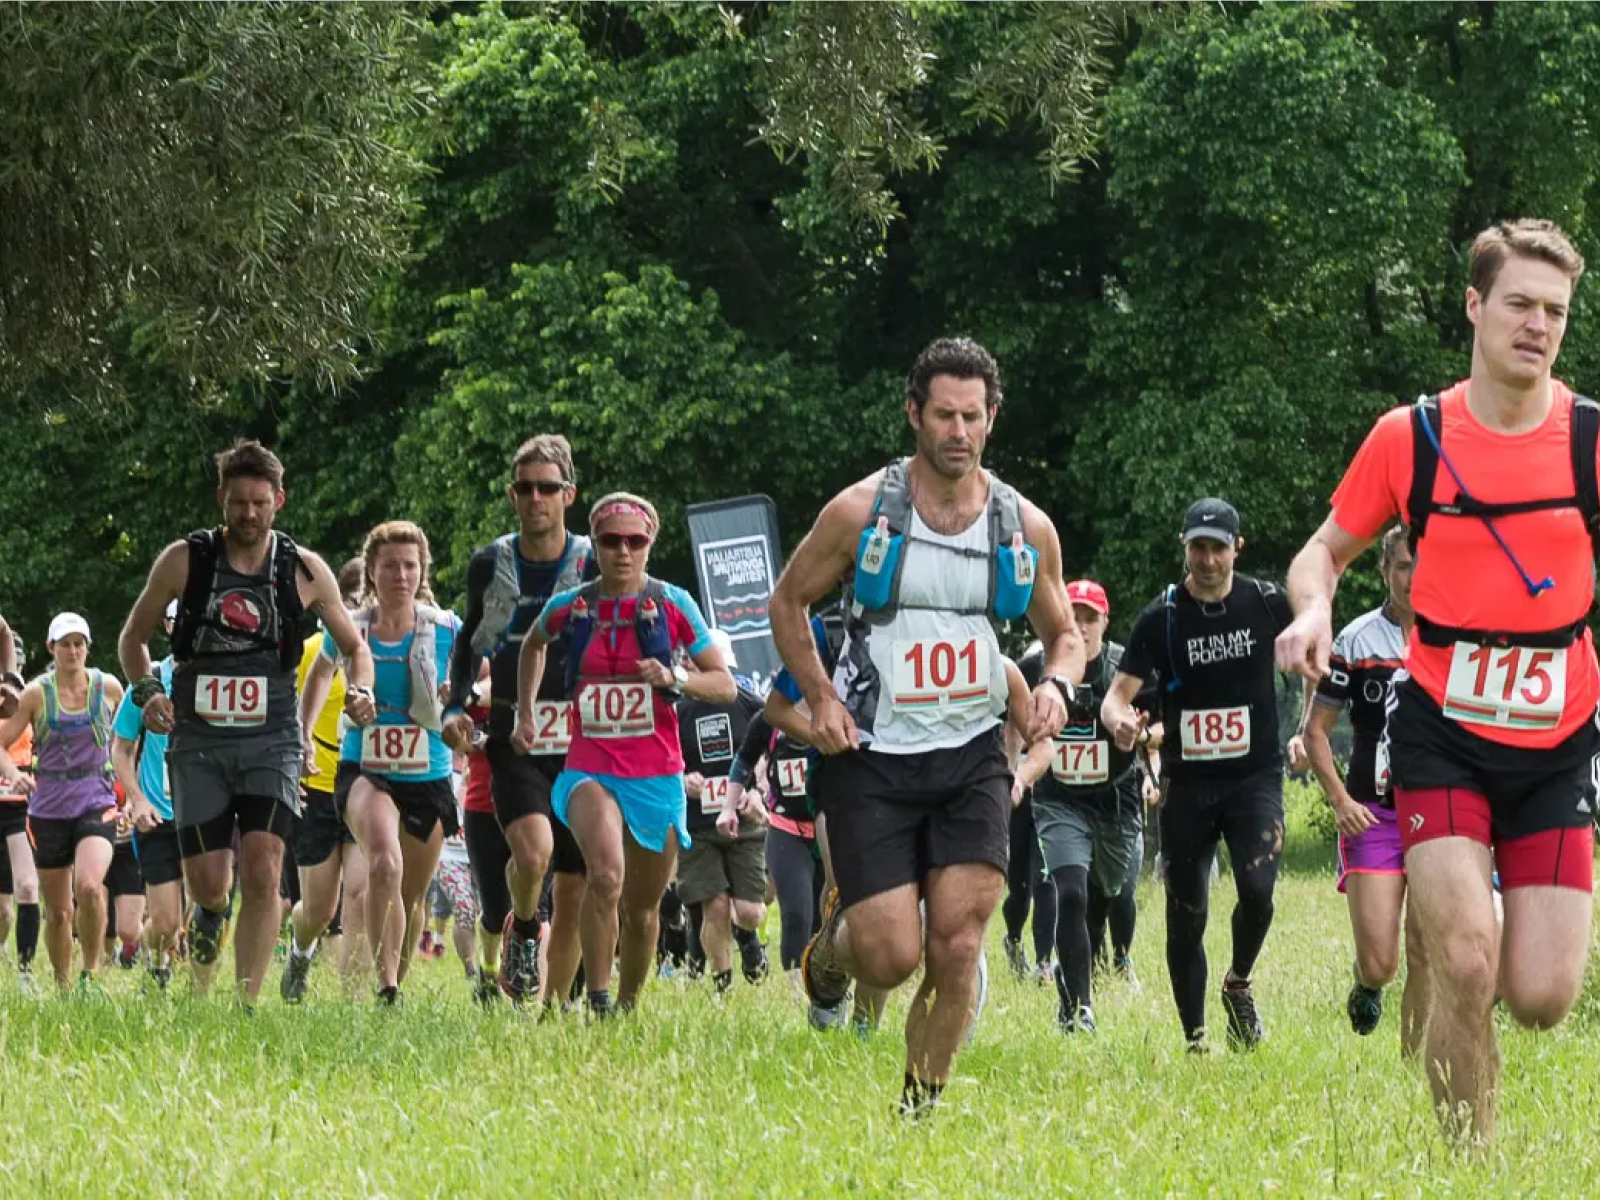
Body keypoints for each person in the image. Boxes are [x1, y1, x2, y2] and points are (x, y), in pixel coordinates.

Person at [1277, 220, 1599, 1143]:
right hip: (1443, 734)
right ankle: (1470, 1154)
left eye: (1556, 312)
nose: (1538, 326)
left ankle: (1483, 1049)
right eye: (1520, 305)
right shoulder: (1410, 437)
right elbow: (1322, 553)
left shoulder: (1588, 441)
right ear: (1473, 305)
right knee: (1462, 957)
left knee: (1539, 995)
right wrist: (1311, 612)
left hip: (1558, 736)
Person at [771, 337, 1081, 1114]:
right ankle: (835, 953)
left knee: (959, 942)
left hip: (973, 752)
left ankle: (920, 1110)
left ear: (992, 420)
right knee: (890, 954)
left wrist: (1058, 687)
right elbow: (788, 602)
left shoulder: (1022, 525)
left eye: (972, 417)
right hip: (873, 753)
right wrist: (821, 699)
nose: (957, 431)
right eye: (942, 414)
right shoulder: (861, 511)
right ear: (914, 415)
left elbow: (1066, 634)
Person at [117, 439, 376, 1008]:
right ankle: (210, 916)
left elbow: (356, 648)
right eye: (239, 503)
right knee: (212, 884)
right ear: (221, 500)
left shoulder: (305, 571)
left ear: (278, 501)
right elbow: (132, 639)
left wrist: (361, 689)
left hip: (272, 739)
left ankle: (244, 1007)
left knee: (263, 867)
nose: (249, 514)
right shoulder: (185, 561)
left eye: (260, 502)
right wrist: (149, 691)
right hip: (200, 741)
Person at [514, 492, 734, 1017]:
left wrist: (675, 676)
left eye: (634, 541)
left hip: (656, 773)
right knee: (605, 875)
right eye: (611, 540)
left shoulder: (674, 603)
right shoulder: (573, 604)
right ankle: (597, 998)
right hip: (590, 767)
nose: (622, 551)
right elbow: (533, 644)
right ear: (597, 543)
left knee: (642, 912)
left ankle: (627, 1010)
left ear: (649, 545)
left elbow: (724, 684)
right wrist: (525, 712)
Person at [1103, 499, 1292, 1053]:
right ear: (1184, 547)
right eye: (1197, 548)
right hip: (1188, 784)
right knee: (1186, 914)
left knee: (1258, 892)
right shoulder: (1160, 617)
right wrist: (1119, 724)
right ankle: (1196, 1039)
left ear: (1239, 547)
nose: (1207, 560)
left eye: (1218, 547)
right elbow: (1118, 698)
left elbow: (1316, 650)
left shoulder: (1267, 603)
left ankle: (1238, 982)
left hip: (1255, 776)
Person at [444, 435, 595, 1007]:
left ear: (568, 494)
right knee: (532, 854)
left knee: (577, 881)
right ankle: (526, 928)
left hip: (584, 738)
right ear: (512, 495)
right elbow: (469, 644)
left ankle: (556, 1008)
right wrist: (456, 706)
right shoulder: (492, 563)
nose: (536, 499)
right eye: (525, 488)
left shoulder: (590, 560)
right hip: (515, 732)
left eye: (547, 488)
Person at [300, 521, 461, 1008]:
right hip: (365, 768)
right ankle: (387, 986)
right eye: (389, 565)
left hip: (428, 773)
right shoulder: (352, 627)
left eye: (410, 565)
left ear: (422, 570)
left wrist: (462, 703)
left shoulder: (446, 628)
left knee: (410, 898)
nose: (401, 574)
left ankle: (396, 982)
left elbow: (481, 679)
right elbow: (319, 676)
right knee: (384, 864)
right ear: (371, 570)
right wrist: (304, 733)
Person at [1300, 526, 1430, 1050]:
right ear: (1384, 572)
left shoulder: (1456, 638)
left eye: (1422, 564)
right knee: (1383, 961)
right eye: (1402, 566)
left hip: (1438, 816)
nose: (1413, 577)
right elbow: (1315, 731)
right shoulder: (1356, 640)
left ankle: (1413, 1064)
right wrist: (1340, 801)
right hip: (1372, 814)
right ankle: (1366, 982)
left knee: (1425, 948)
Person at [1016, 580, 1157, 1033]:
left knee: (1109, 891)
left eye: (1089, 617)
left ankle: (1089, 960)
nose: (1080, 625)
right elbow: (1013, 728)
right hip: (1060, 802)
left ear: (1104, 622)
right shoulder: (1038, 666)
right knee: (1069, 892)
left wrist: (1142, 738)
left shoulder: (1125, 667)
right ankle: (1076, 1008)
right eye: (1072, 616)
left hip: (1115, 802)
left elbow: (1162, 727)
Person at [0, 613, 123, 991]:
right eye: (65, 644)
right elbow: (2, 741)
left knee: (88, 886)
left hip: (96, 799)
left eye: (79, 643)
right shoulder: (36, 693)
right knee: (58, 912)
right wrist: (14, 774)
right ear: (51, 648)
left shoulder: (110, 688)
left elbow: (129, 741)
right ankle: (64, 985)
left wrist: (132, 793)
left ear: (88, 647)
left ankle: (90, 976)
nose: (73, 651)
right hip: (48, 807)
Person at [281, 557, 369, 1002]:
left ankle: (353, 1002)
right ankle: (300, 950)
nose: (356, 616)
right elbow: (287, 711)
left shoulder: (384, 652)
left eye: (363, 604)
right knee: (318, 908)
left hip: (362, 784)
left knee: (360, 892)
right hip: (315, 786)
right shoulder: (314, 650)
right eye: (351, 604)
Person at [677, 629, 769, 993]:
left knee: (750, 912)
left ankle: (747, 939)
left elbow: (771, 748)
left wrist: (759, 790)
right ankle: (722, 985)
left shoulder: (749, 702)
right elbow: (659, 757)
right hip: (698, 824)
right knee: (713, 904)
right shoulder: (677, 707)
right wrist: (683, 780)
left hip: (742, 820)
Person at [110, 602, 185, 990]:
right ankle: (156, 965)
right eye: (176, 619)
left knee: (215, 900)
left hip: (208, 812)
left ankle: (197, 988)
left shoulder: (222, 682)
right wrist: (137, 799)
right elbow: (120, 749)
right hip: (157, 814)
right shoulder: (149, 679)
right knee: (168, 921)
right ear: (166, 627)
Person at [727, 711, 821, 984]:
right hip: (786, 827)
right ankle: (797, 992)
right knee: (796, 914)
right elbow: (744, 760)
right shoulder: (769, 718)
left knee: (825, 915)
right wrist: (728, 807)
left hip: (831, 827)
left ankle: (829, 988)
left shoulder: (838, 707)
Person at [0, 630, 39, 990]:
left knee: (27, 888)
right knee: (3, 910)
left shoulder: (31, 697)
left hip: (18, 805)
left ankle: (26, 973)